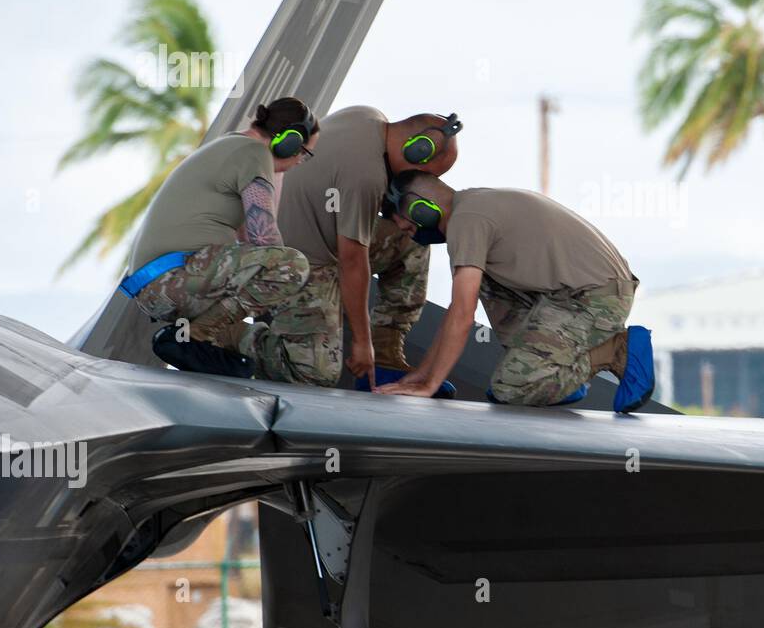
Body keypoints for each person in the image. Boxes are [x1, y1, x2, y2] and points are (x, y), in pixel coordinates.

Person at [374, 171, 655, 413]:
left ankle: (614, 351)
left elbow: (463, 311)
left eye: (407, 223)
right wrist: (421, 374)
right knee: (481, 280)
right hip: (571, 293)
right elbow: (456, 308)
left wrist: (429, 385)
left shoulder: (467, 220)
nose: (408, 232)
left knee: (510, 388)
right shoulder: (474, 204)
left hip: (594, 298)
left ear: (422, 208)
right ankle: (548, 368)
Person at [121, 97, 319, 376]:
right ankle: (198, 333)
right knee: (292, 265)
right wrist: (291, 296)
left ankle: (199, 340)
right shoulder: (253, 153)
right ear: (288, 141)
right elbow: (265, 238)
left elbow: (247, 243)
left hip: (166, 285)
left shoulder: (231, 147)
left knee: (246, 356)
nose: (300, 161)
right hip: (176, 278)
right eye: (304, 153)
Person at [265, 107, 461, 387]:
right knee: (315, 374)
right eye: (420, 176)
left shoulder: (366, 117)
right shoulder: (366, 176)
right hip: (297, 262)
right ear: (415, 150)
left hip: (319, 237)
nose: (414, 186)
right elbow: (352, 262)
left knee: (411, 236)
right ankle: (237, 338)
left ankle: (385, 353)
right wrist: (361, 341)